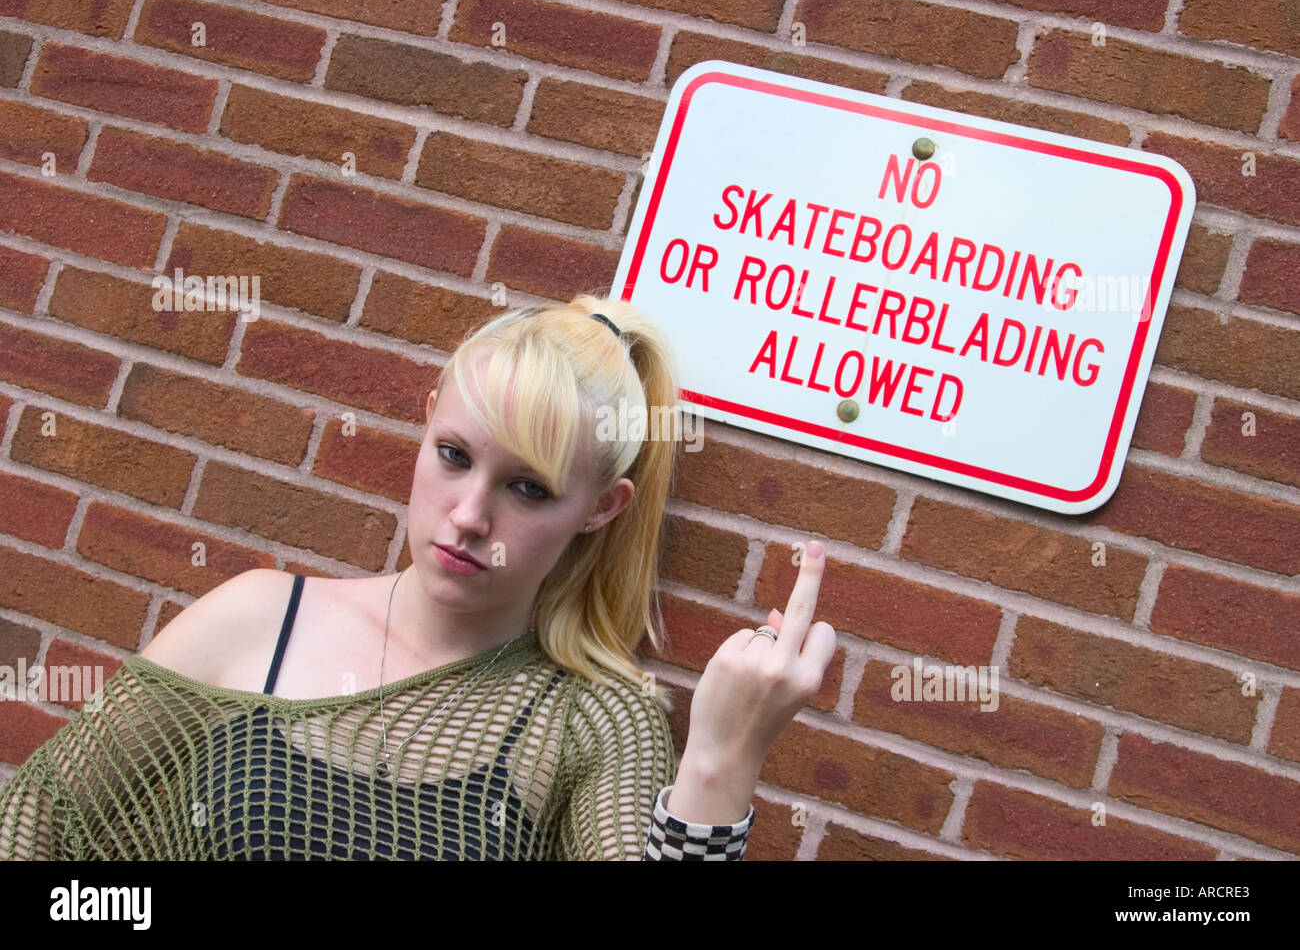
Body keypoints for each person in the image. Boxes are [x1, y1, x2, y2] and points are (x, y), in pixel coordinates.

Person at [0, 295, 836, 860]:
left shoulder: (593, 719)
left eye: (527, 487)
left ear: (600, 508)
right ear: (427, 418)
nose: (470, 514)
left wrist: (722, 763)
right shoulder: (261, 617)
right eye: (455, 455)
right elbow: (38, 828)